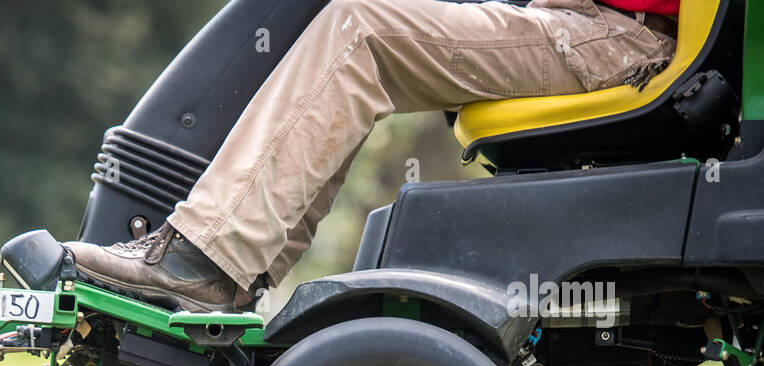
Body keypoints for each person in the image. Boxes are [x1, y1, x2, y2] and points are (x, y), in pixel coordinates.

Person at [65, 0, 679, 312]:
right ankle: (233, 270)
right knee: (354, 24)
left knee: (360, 28)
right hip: (574, 19)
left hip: (622, 34)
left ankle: (206, 264)